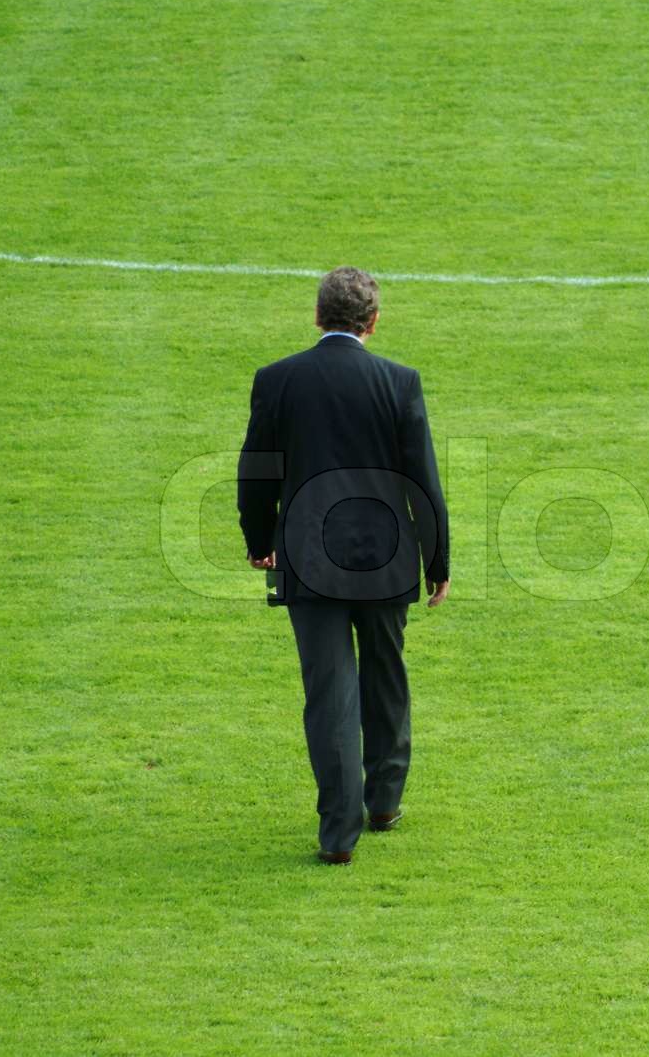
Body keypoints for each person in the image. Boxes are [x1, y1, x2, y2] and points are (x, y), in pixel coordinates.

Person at [237, 267, 450, 865]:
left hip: (308, 558)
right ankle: (384, 802)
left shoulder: (277, 379)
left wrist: (259, 539)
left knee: (328, 695)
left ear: (317, 316)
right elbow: (423, 480)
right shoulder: (399, 382)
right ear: (373, 322)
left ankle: (338, 835)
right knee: (386, 678)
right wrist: (436, 560)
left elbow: (257, 471)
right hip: (386, 558)